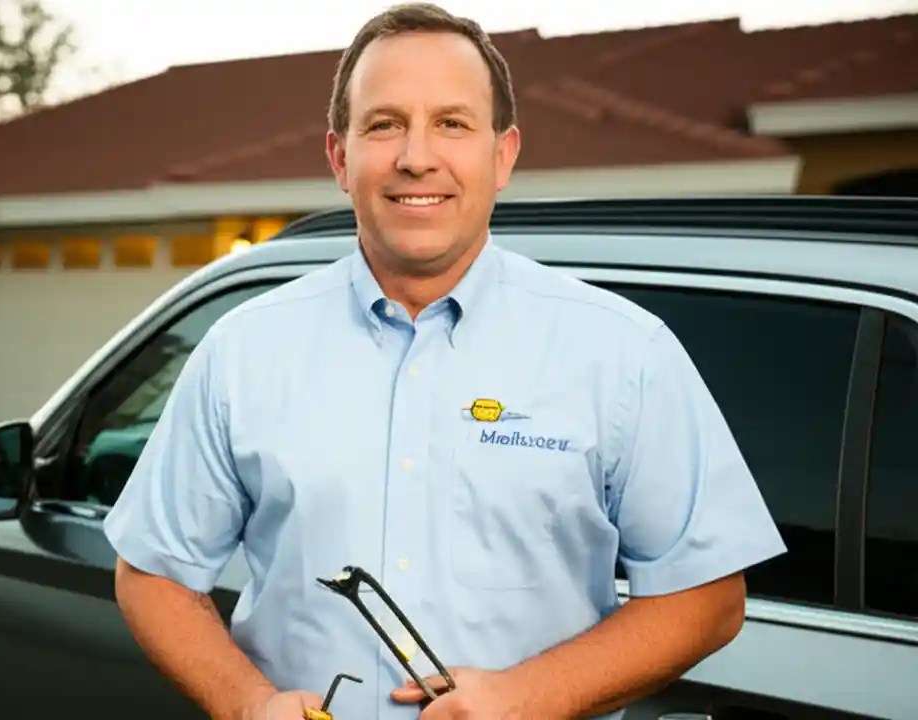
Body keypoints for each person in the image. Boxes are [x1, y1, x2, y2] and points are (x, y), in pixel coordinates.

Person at [101, 3, 787, 719]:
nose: (416, 156)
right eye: (384, 123)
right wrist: (247, 705)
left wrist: (522, 701)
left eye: (452, 124)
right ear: (340, 157)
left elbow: (708, 599)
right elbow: (152, 572)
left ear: (503, 154)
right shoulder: (243, 351)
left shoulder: (621, 352)